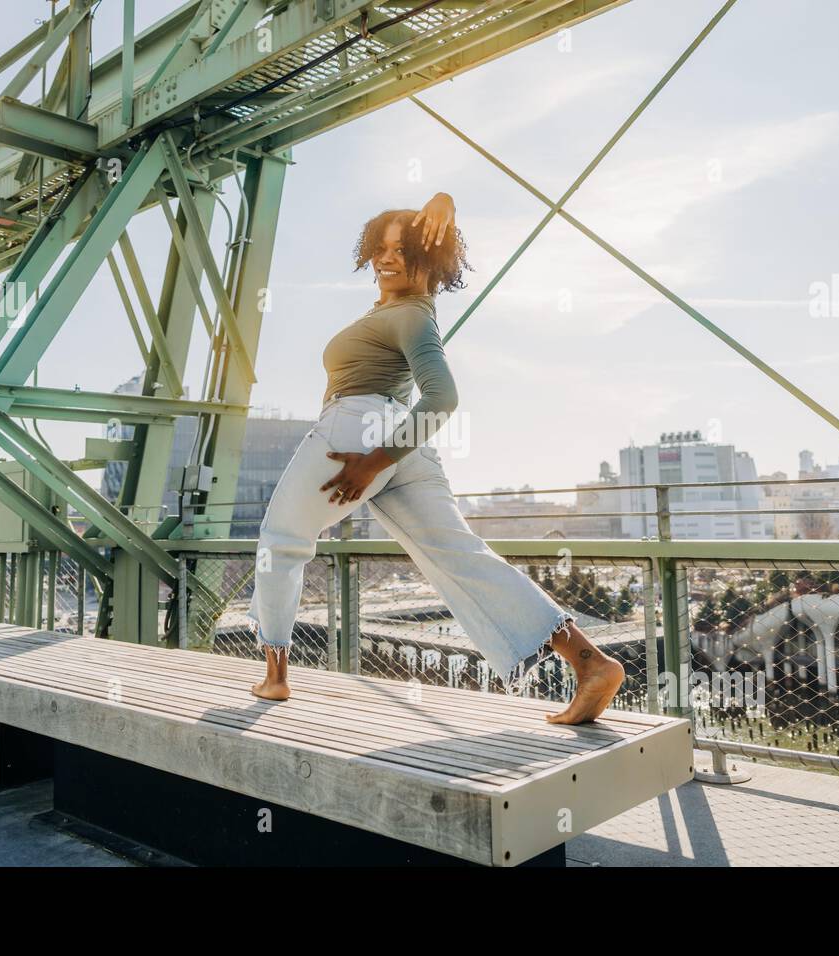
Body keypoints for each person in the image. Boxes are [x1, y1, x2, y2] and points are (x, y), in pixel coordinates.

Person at [245, 192, 624, 724]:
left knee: (279, 543)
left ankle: (276, 677)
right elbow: (441, 207)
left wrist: (375, 459)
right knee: (459, 554)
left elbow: (443, 397)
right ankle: (591, 664)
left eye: (401, 249)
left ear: (431, 256)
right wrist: (442, 207)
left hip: (361, 433)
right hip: (405, 443)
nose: (385, 257)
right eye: (379, 248)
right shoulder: (404, 313)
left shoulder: (411, 317)